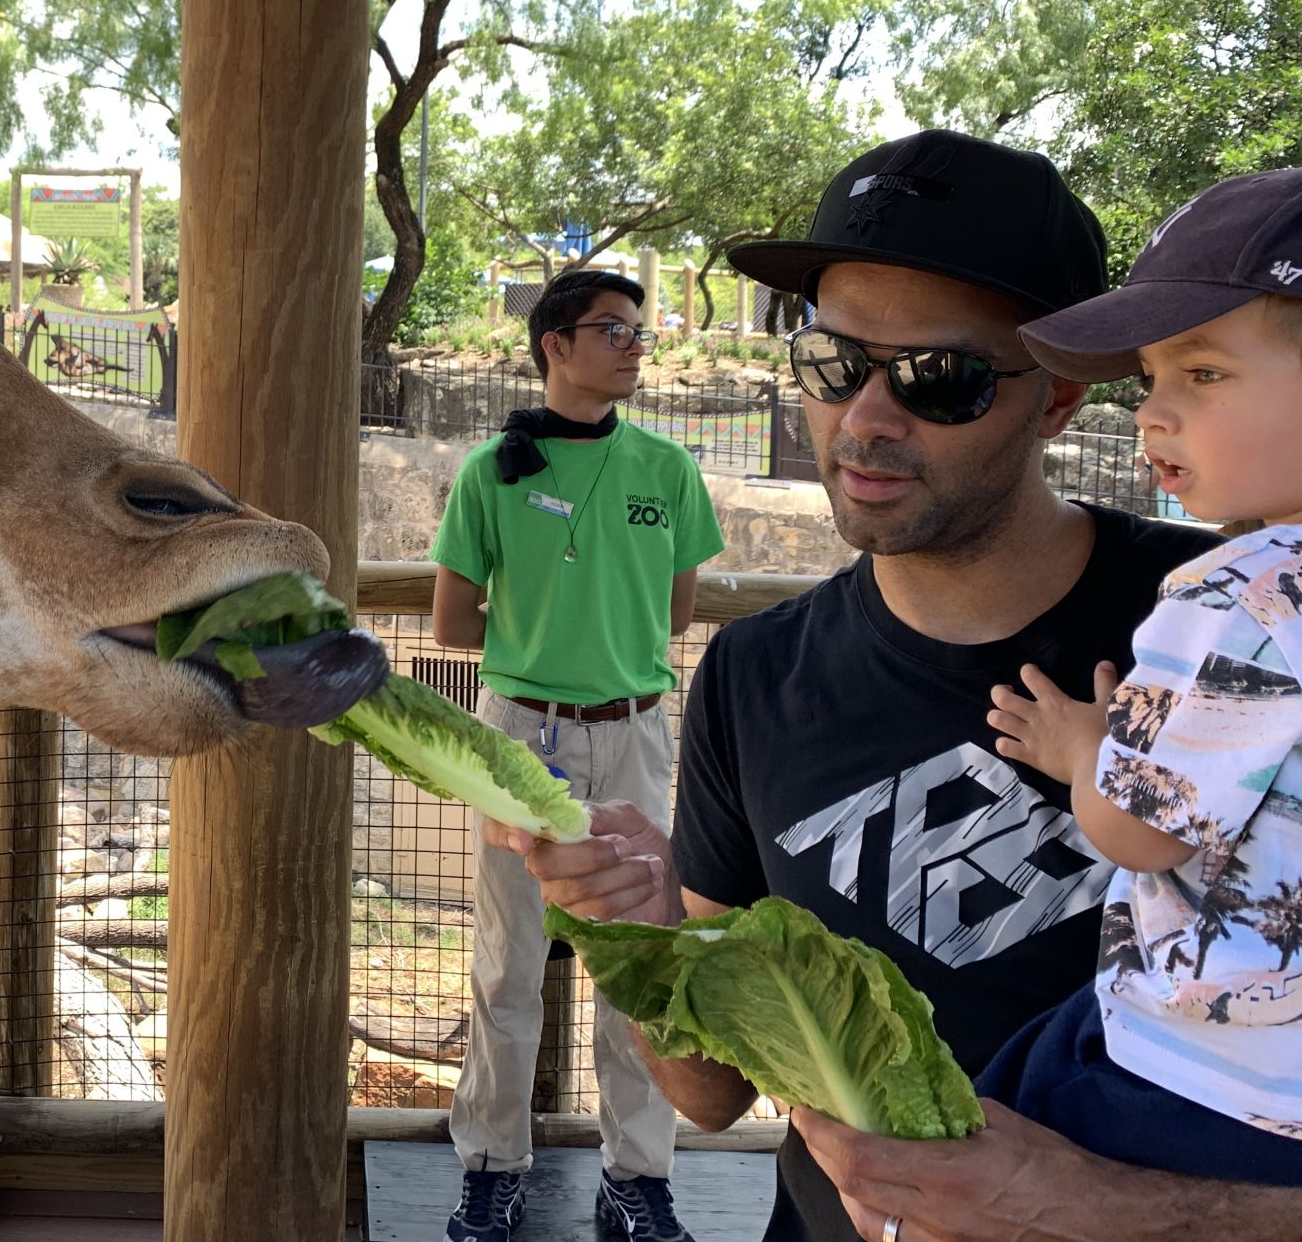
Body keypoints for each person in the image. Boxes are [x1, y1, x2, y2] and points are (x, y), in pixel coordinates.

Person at [482, 131, 1302, 1242]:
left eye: (936, 378)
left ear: (1056, 401)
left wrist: (1114, 1210)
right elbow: (709, 1094)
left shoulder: (1234, 629)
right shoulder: (752, 671)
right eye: (829, 364)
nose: (863, 419)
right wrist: (643, 927)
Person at [971, 167, 1302, 1178]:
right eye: (1150, 378)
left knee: (971, 1142)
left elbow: (1136, 829)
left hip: (1195, 1070)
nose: (1151, 415)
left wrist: (1087, 745)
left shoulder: (1232, 593)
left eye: (1201, 375)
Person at [430, 267, 725, 1242]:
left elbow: (676, 612)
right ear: (555, 344)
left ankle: (635, 1176)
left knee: (637, 962)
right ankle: (488, 1165)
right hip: (519, 738)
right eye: (614, 329)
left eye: (640, 329)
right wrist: (543, 645)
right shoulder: (489, 472)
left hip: (637, 735)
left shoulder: (669, 472)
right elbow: (448, 623)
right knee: (508, 963)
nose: (638, 344)